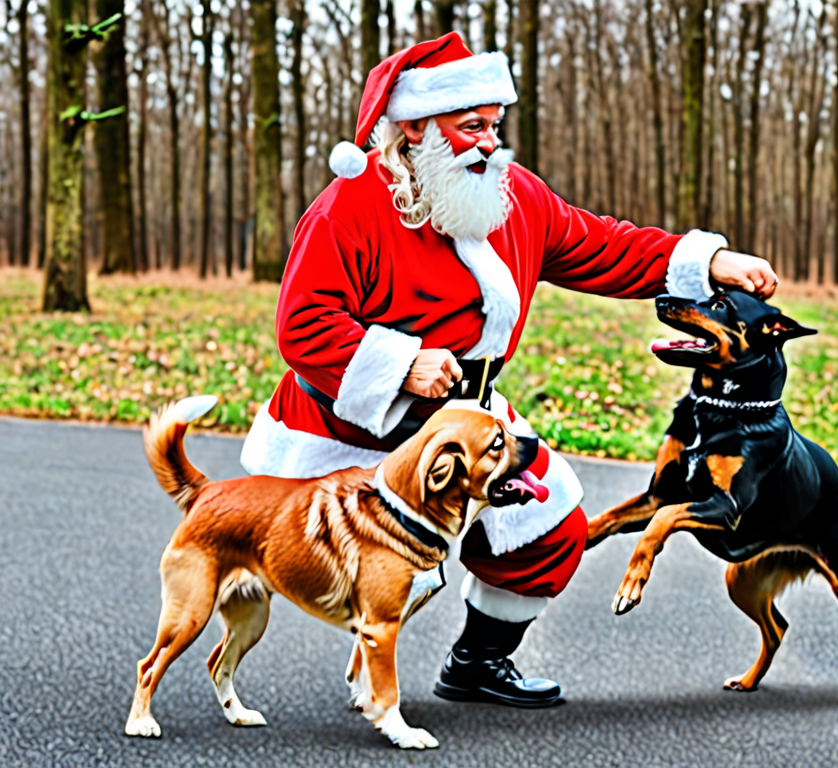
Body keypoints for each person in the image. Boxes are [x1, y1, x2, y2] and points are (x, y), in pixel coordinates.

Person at [240, 32, 778, 710]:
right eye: (471, 126)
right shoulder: (349, 207)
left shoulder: (513, 197)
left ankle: (478, 662)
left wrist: (706, 264)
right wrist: (402, 363)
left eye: (494, 126)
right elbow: (302, 326)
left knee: (548, 530)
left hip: (469, 419)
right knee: (355, 557)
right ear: (412, 128)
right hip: (347, 424)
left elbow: (601, 245)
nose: (490, 143)